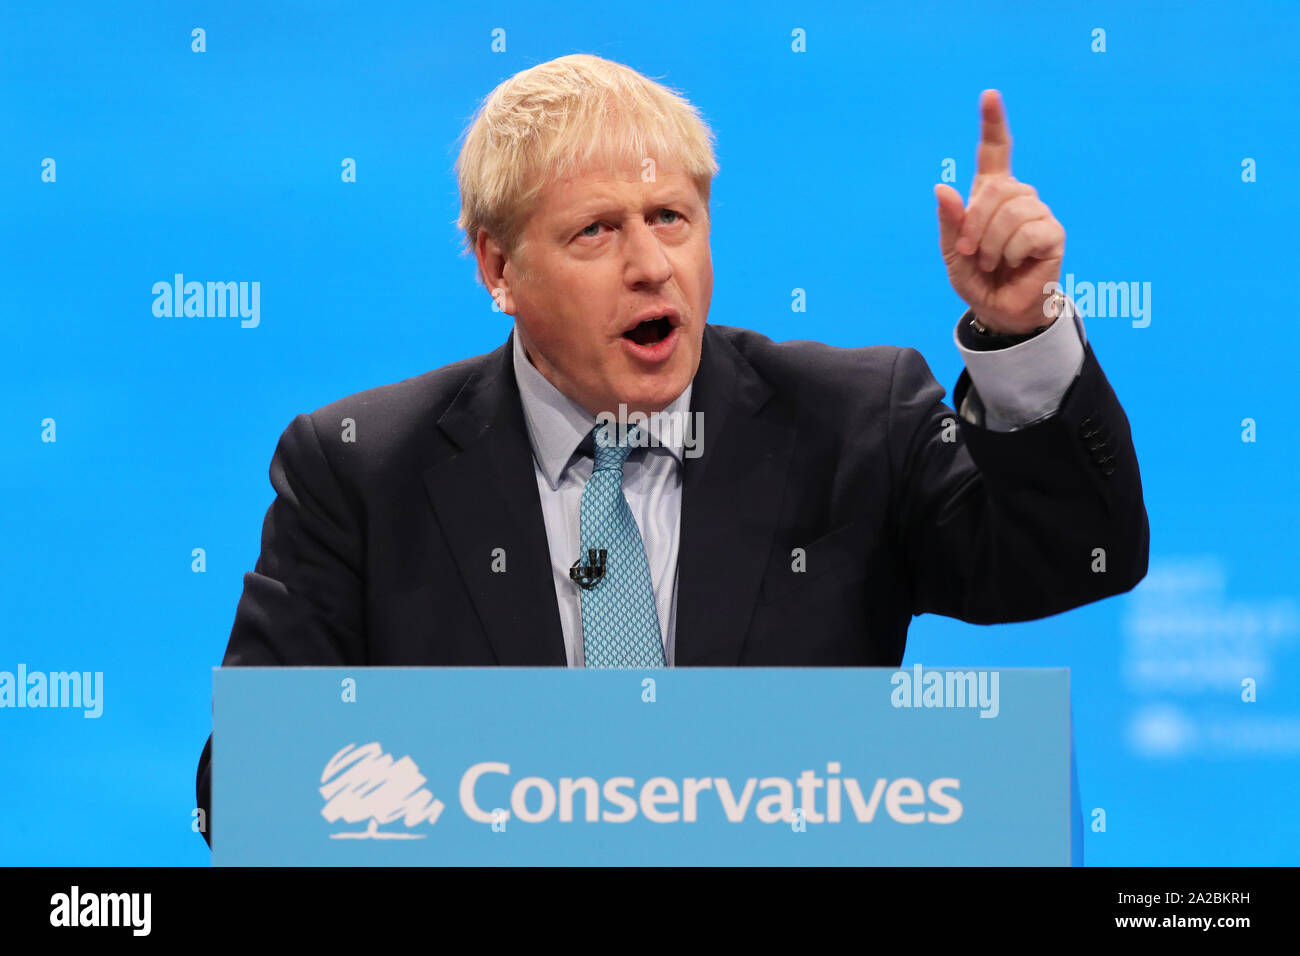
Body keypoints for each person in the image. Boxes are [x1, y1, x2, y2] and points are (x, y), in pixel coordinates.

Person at [195, 54, 1148, 847]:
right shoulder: (362, 468)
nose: (650, 265)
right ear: (497, 267)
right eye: (596, 230)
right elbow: (248, 785)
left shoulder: (853, 420)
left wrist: (1021, 334)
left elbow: (1071, 559)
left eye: (671, 220)